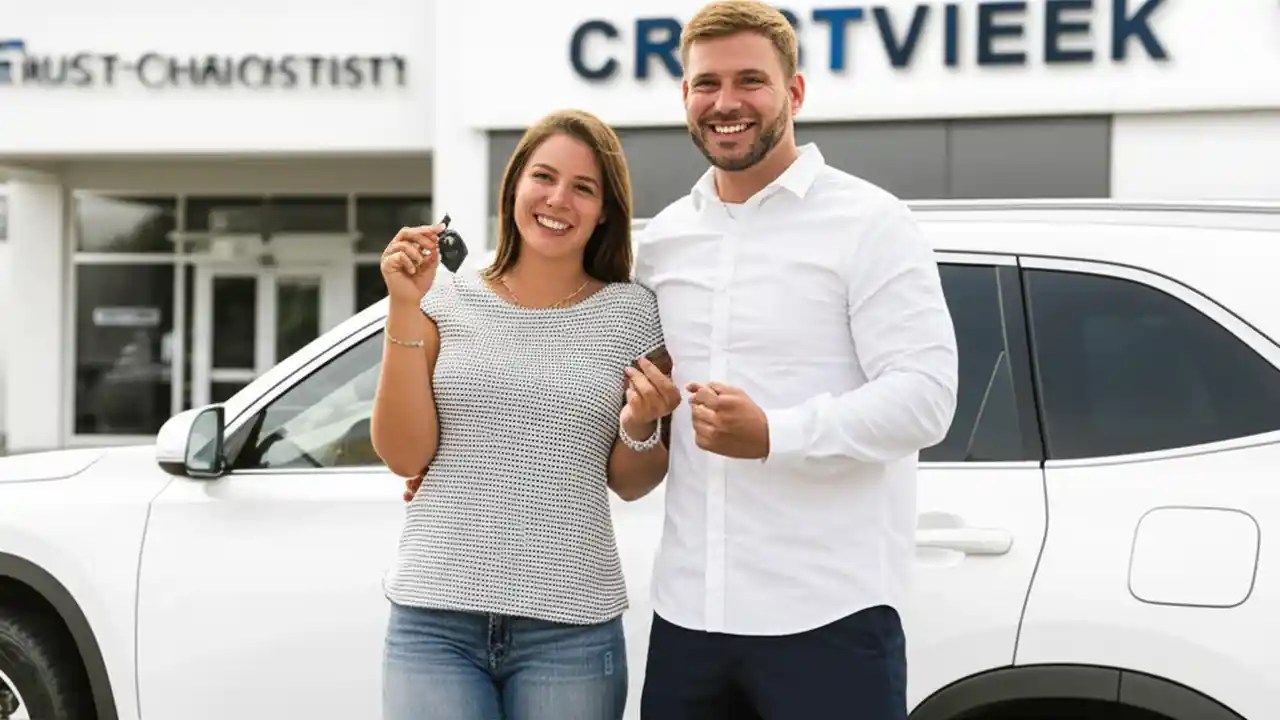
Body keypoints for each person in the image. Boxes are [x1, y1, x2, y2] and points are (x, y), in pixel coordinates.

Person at [632, 2, 960, 718]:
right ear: (685, 98)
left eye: (750, 80)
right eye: (705, 84)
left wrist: (775, 435)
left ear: (795, 93)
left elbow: (927, 396)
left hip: (829, 621)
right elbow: (612, 378)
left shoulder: (870, 223)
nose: (726, 103)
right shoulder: (664, 241)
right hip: (688, 619)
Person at [372, 108, 679, 720]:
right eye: (544, 177)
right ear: (513, 186)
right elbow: (404, 456)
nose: (558, 199)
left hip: (571, 630)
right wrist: (403, 306)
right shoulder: (442, 296)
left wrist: (641, 427)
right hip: (434, 622)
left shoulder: (634, 315)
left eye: (583, 188)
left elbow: (630, 482)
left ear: (604, 212)